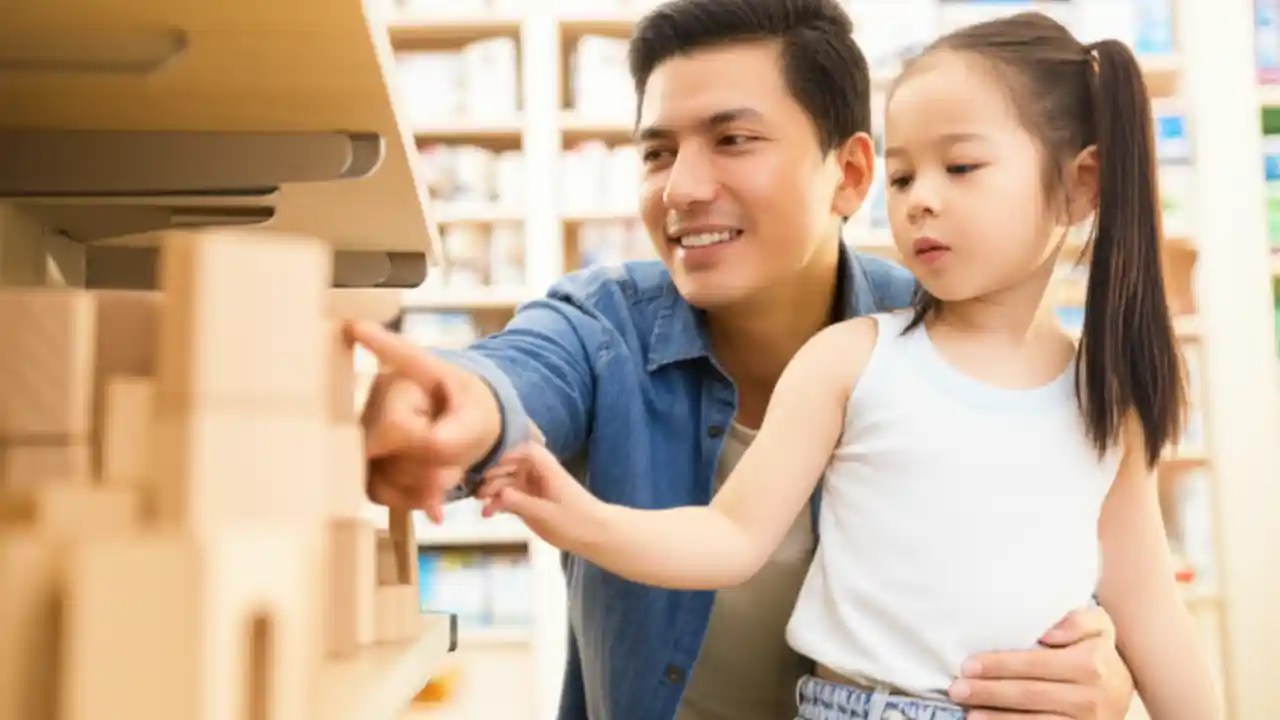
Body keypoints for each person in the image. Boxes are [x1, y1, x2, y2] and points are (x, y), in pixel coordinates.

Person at [348, 1, 1141, 718]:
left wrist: (1103, 675)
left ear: (852, 174)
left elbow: (1071, 566)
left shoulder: (947, 346)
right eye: (658, 153)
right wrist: (456, 407)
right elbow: (515, 376)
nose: (683, 188)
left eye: (734, 139)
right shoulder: (605, 325)